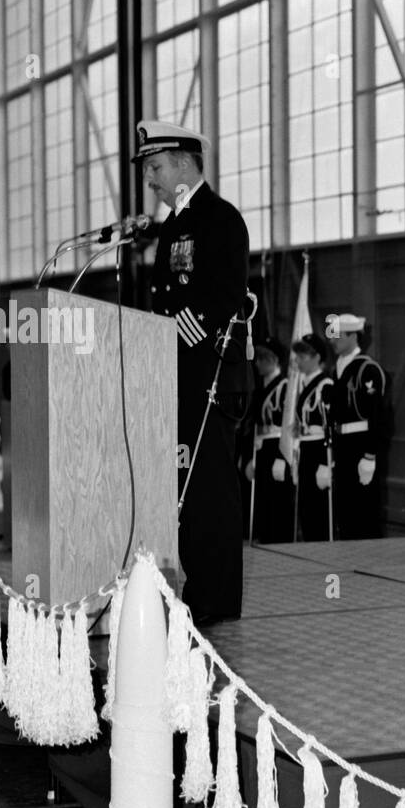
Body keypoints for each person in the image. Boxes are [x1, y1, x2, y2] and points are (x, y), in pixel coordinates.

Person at [135, 118, 251, 627]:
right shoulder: (174, 227)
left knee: (211, 492)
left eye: (156, 167)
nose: (151, 180)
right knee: (188, 490)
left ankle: (216, 599)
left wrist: (169, 336)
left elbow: (226, 295)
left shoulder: (218, 218)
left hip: (211, 376)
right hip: (178, 375)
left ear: (184, 162)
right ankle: (198, 588)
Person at [328, 313, 389, 540]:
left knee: (365, 510)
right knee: (345, 511)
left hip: (361, 445)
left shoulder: (368, 369)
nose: (332, 340)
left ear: (353, 336)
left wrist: (370, 455)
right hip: (342, 446)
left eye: (337, 335)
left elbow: (378, 417)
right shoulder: (337, 370)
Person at [287, 334, 334, 541]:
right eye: (297, 356)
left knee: (318, 509)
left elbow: (330, 426)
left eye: (302, 356)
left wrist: (327, 463)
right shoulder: (306, 384)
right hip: (306, 449)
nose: (297, 361)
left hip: (319, 451)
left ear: (317, 357)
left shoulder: (325, 385)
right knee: (306, 507)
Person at [243, 338, 290, 544]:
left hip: (276, 445)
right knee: (263, 498)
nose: (257, 363)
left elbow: (287, 425)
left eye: (263, 359)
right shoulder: (261, 388)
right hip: (261, 446)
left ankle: (277, 540)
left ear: (275, 360)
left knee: (276, 500)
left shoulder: (284, 386)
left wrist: (282, 456)